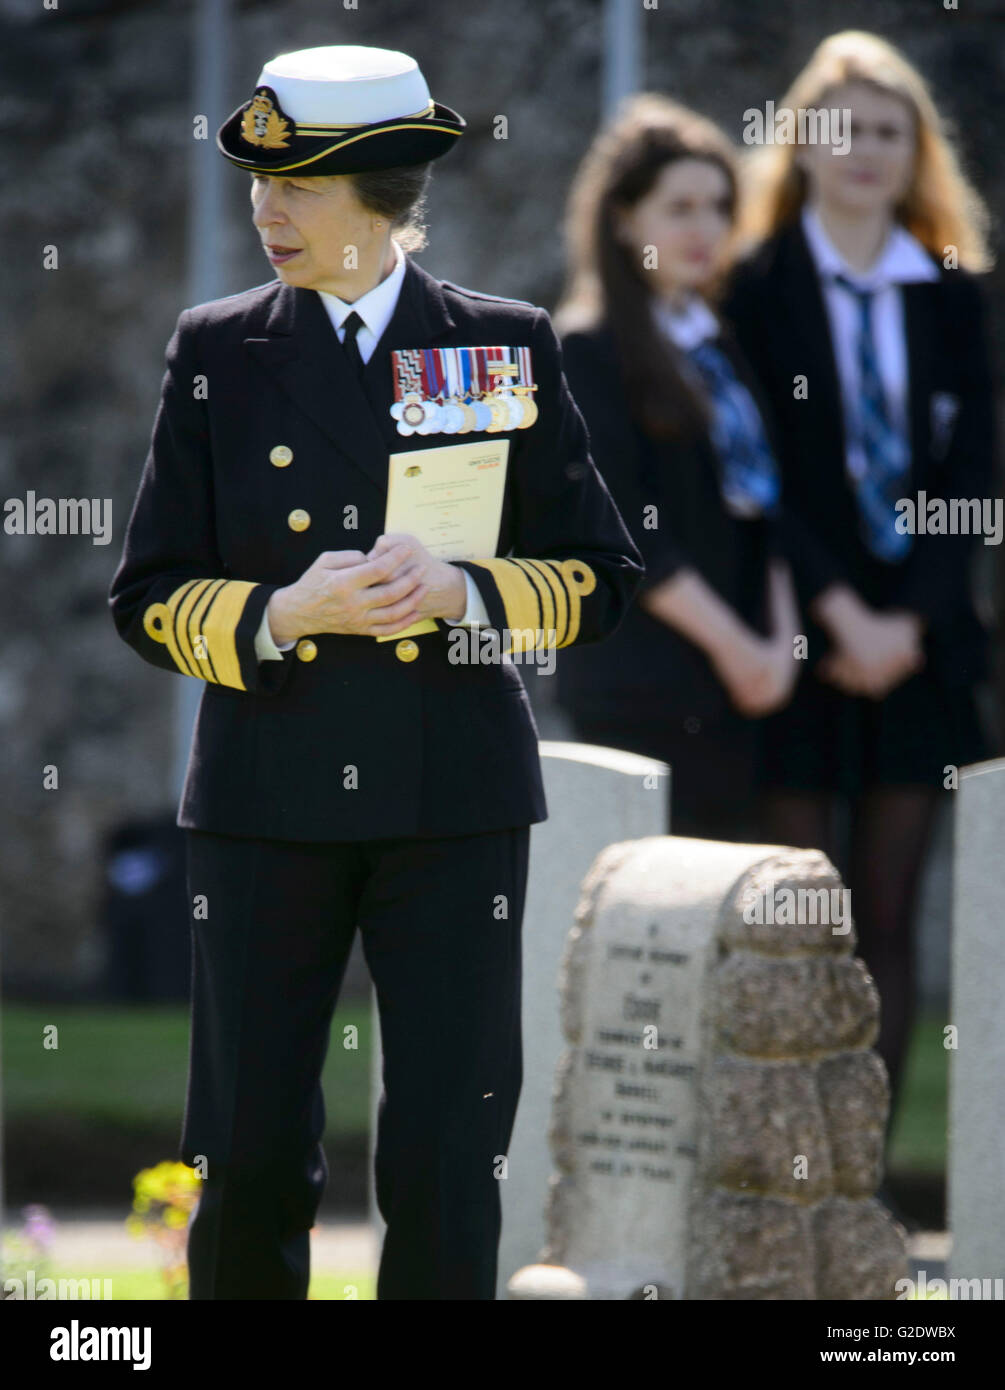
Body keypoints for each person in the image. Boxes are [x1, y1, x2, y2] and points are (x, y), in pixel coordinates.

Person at [108, 44, 642, 1301]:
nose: (266, 210)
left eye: (296, 183)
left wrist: (468, 592)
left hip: (451, 795)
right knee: (243, 1148)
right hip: (263, 796)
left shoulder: (502, 343)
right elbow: (144, 596)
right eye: (257, 182)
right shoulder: (216, 351)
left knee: (452, 1151)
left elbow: (601, 578)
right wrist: (281, 613)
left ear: (381, 189)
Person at [722, 31, 996, 1135]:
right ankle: (788, 1165)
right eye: (844, 130)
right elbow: (756, 470)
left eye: (890, 131)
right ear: (805, 146)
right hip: (803, 637)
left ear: (916, 151)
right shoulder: (753, 283)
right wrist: (839, 611)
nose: (866, 152)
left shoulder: (950, 290)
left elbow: (975, 468)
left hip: (921, 647)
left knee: (887, 911)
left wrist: (906, 620)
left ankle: (861, 1173)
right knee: (803, 909)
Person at [553, 94, 800, 840]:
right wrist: (738, 650)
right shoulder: (585, 349)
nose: (706, 228)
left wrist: (776, 648)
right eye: (680, 206)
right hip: (644, 687)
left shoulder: (719, 345)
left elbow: (764, 505)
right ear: (624, 221)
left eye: (720, 207)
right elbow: (624, 525)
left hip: (744, 686)